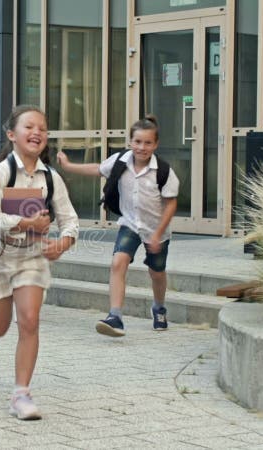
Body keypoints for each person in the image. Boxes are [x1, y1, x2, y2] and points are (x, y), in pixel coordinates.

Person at [0, 105, 79, 420]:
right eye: (29, 127)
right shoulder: (0, 172)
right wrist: (26, 222)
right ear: (11, 135)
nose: (37, 133)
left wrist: (63, 242)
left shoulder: (52, 178)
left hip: (32, 256)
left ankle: (21, 394)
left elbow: (70, 220)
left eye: (42, 129)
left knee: (29, 320)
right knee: (2, 325)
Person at [56, 115, 178, 337]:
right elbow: (97, 169)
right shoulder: (120, 161)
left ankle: (159, 308)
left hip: (156, 230)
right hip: (130, 224)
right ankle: (115, 316)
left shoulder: (164, 171)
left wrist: (158, 233)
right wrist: (68, 166)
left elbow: (171, 204)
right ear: (130, 142)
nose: (142, 147)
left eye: (148, 143)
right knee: (117, 262)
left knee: (156, 272)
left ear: (156, 144)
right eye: (138, 142)